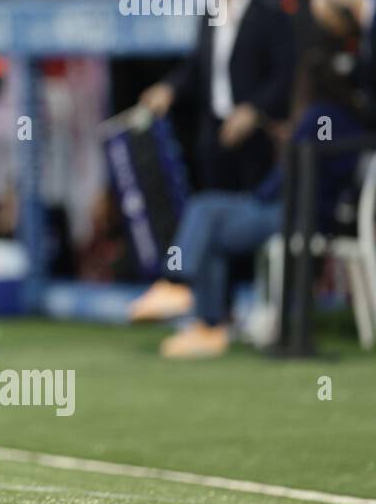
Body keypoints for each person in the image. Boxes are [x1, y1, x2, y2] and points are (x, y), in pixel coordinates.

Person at [134, 54, 363, 359]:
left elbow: (288, 178)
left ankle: (179, 284)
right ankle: (207, 326)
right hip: (312, 212)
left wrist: (262, 190)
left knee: (204, 209)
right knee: (210, 227)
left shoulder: (320, 116)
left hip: (291, 212)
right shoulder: (350, 121)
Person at [138, 0, 295, 192]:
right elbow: (197, 66)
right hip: (214, 135)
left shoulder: (270, 10)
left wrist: (254, 110)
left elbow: (283, 73)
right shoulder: (210, 14)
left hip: (257, 135)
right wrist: (169, 88)